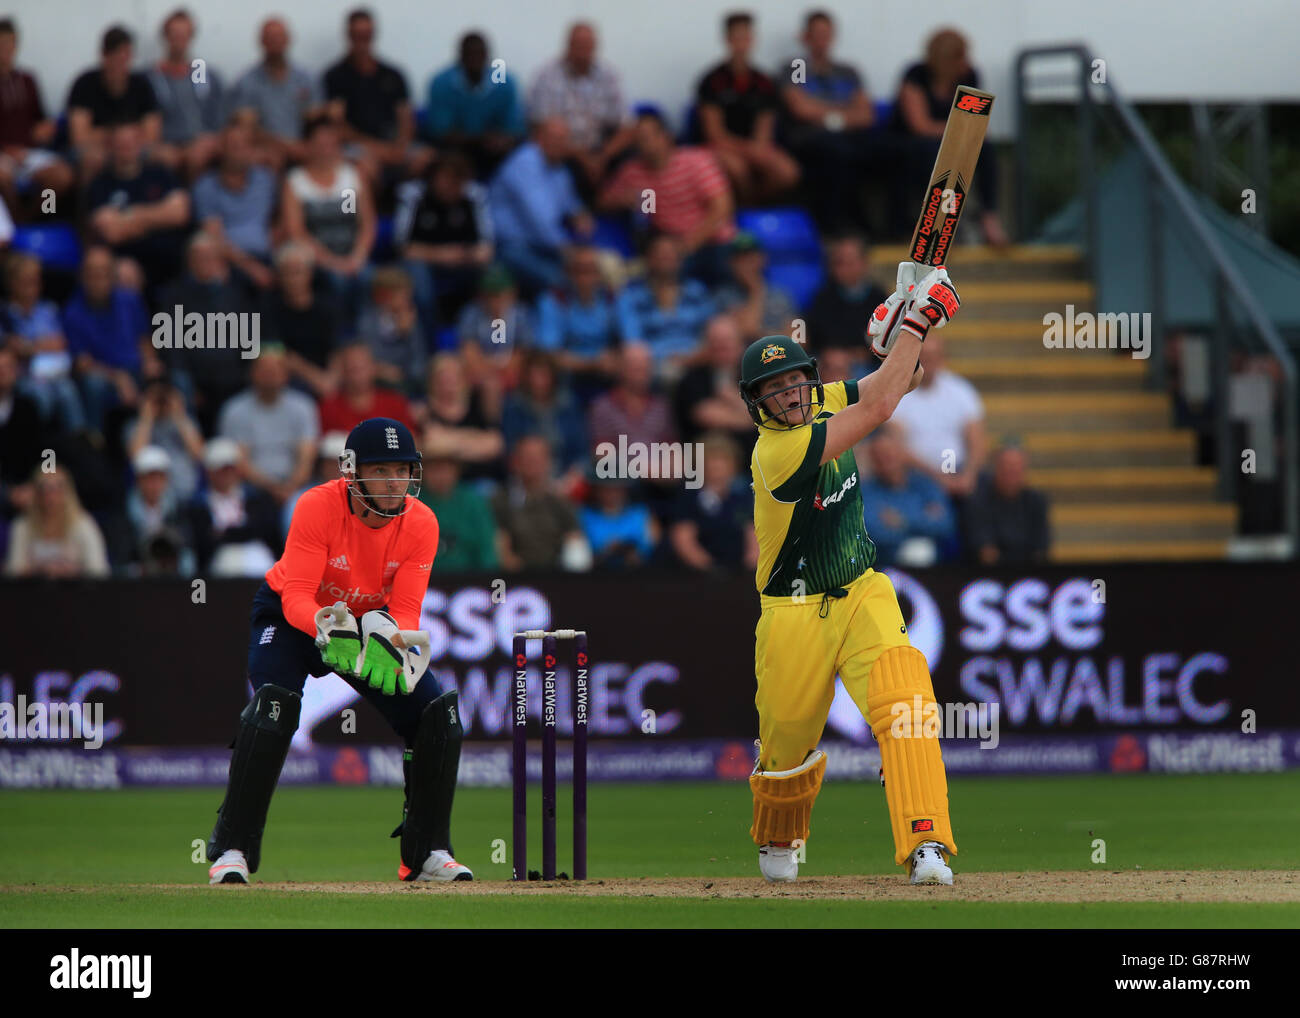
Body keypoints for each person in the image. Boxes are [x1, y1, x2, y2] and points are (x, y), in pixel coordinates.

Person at [735, 258, 961, 885]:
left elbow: (902, 381)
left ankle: (926, 845)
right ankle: (780, 837)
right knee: (786, 745)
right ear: (758, 406)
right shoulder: (778, 453)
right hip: (792, 612)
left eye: (795, 383)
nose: (790, 397)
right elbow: (884, 404)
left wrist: (899, 331)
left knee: (908, 700)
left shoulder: (822, 399)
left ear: (809, 381)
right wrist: (918, 316)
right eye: (775, 392)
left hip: (862, 591)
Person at [204, 417, 473, 884]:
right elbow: (297, 597)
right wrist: (330, 628)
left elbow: (407, 611)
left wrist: (388, 640)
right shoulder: (318, 505)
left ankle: (427, 851)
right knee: (273, 706)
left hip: (368, 625)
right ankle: (233, 848)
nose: (395, 483)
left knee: (437, 715)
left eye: (402, 470)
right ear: (353, 472)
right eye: (381, 471)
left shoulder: (421, 522)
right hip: (295, 620)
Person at [893, 28, 1007, 246]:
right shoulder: (916, 75)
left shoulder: (969, 76)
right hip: (912, 142)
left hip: (948, 138)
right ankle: (937, 222)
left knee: (985, 147)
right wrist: (957, 130)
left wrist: (961, 132)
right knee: (930, 151)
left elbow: (975, 121)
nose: (965, 62)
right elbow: (919, 125)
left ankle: (988, 215)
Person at [598, 109, 735, 287]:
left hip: (712, 242)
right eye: (637, 140)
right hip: (667, 246)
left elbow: (722, 208)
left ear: (665, 137)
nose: (642, 144)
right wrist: (621, 200)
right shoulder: (633, 172)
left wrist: (687, 245)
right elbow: (602, 202)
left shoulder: (696, 161)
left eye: (646, 137)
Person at [778, 10, 882, 233]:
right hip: (809, 139)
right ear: (805, 37)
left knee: (886, 151)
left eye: (826, 34)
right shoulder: (798, 67)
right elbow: (801, 109)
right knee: (838, 154)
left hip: (848, 138)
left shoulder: (847, 72)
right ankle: (838, 225)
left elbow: (866, 114)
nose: (821, 40)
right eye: (816, 34)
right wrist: (843, 113)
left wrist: (827, 115)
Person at [280, 114, 376, 327]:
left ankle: (364, 340)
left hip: (352, 256)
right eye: (320, 144)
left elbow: (365, 224)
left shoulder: (350, 178)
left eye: (331, 144)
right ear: (308, 146)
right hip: (318, 258)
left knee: (368, 278)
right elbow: (297, 233)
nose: (326, 150)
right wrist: (333, 262)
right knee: (337, 282)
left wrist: (357, 257)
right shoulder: (296, 182)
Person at [694, 12, 799, 203]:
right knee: (737, 169)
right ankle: (742, 209)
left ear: (753, 39)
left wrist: (758, 151)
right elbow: (714, 134)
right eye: (736, 37)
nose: (742, 43)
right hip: (722, 148)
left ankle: (759, 207)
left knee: (787, 171)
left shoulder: (765, 82)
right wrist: (749, 151)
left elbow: (764, 128)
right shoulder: (711, 81)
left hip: (754, 146)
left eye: (746, 37)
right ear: (727, 39)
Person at [526, 22, 634, 199]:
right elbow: (539, 130)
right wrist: (583, 158)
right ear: (568, 46)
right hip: (563, 151)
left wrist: (602, 156)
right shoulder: (546, 76)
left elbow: (627, 126)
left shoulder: (608, 75)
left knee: (634, 153)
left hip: (600, 149)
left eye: (588, 46)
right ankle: (584, 208)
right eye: (578, 45)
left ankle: (626, 207)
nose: (583, 51)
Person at [488, 117, 594, 299]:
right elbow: (540, 221)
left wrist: (580, 214)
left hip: (543, 247)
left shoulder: (559, 167)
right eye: (553, 138)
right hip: (508, 247)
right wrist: (571, 253)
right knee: (567, 283)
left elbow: (570, 203)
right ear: (537, 138)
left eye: (563, 139)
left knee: (591, 275)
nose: (559, 144)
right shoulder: (524, 163)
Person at [323, 8, 429, 188]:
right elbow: (338, 126)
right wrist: (379, 149)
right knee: (362, 167)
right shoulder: (335, 77)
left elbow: (406, 118)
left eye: (366, 34)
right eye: (358, 35)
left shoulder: (394, 74)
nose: (362, 40)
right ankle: (368, 215)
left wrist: (400, 146)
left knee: (428, 158)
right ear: (349, 35)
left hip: (395, 143)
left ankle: (410, 212)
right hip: (358, 147)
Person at [396, 151, 493, 340]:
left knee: (494, 279)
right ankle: (428, 344)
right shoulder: (413, 194)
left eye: (457, 181)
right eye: (446, 179)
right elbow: (403, 248)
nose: (450, 186)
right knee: (420, 285)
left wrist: (469, 255)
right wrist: (441, 255)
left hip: (462, 262)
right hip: (423, 262)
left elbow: (486, 248)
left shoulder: (474, 196)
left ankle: (483, 342)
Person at [217, 345, 319, 505]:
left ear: (286, 374)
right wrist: (273, 488)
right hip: (250, 488)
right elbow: (239, 462)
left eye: (276, 369)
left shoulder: (303, 406)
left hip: (296, 487)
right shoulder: (234, 410)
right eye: (264, 369)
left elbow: (306, 458)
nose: (270, 375)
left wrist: (290, 487)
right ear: (252, 373)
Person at [889, 333, 987, 499]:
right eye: (924, 357)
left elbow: (977, 439)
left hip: (959, 472)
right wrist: (939, 478)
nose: (928, 362)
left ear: (942, 358)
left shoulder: (961, 390)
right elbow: (897, 446)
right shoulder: (899, 393)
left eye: (933, 357)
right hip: (916, 476)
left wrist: (969, 475)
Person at [66, 25, 161, 182]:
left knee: (164, 157)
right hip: (99, 150)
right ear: (104, 56)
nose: (121, 63)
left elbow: (152, 134)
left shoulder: (141, 84)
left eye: (125, 56)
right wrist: (121, 137)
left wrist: (121, 141)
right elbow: (79, 137)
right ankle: (90, 205)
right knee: (92, 160)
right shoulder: (85, 83)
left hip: (135, 148)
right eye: (115, 57)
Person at [228, 17, 325, 170]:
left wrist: (307, 146)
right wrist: (285, 146)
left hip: (304, 147)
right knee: (270, 159)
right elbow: (246, 128)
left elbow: (317, 122)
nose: (275, 42)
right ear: (261, 41)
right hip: (267, 149)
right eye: (270, 38)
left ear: (288, 39)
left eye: (279, 37)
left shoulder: (307, 79)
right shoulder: (247, 82)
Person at [0, 18, 76, 214]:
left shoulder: (27, 80)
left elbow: (39, 119)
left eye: (10, 43)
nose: (6, 49)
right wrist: (8, 150)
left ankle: (39, 215)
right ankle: (15, 222)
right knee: (3, 176)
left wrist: (46, 128)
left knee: (60, 176)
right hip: (3, 156)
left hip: (29, 153)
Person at [424, 32, 525, 178]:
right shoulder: (442, 82)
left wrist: (503, 140)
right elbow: (440, 132)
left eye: (479, 54)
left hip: (497, 154)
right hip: (454, 152)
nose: (475, 59)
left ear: (487, 55)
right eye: (470, 54)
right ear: (460, 56)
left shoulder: (504, 81)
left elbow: (514, 129)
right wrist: (481, 139)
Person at [860, 421, 956, 566]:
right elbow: (872, 532)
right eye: (879, 457)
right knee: (915, 552)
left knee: (922, 550)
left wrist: (902, 521)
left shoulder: (925, 484)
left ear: (902, 454)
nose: (886, 461)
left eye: (889, 455)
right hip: (886, 562)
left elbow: (945, 523)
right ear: (872, 460)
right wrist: (924, 517)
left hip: (934, 563)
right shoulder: (866, 490)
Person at [147, 8, 225, 179]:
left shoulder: (202, 72)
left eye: (184, 34)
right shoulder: (152, 76)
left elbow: (219, 117)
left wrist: (209, 140)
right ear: (165, 37)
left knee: (197, 156)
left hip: (200, 143)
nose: (179, 40)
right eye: (174, 34)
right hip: (165, 145)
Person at [491, 434, 587, 571]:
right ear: (515, 462)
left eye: (538, 457)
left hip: (556, 577)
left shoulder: (561, 502)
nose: (532, 462)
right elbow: (500, 546)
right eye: (526, 457)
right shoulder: (501, 500)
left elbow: (574, 540)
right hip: (515, 579)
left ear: (549, 462)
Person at [802, 233, 888, 383]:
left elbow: (887, 343)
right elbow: (809, 336)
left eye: (850, 263)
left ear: (864, 263)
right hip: (830, 365)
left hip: (870, 367)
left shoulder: (880, 298)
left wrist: (857, 355)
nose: (844, 269)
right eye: (839, 263)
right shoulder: (821, 298)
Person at [668, 431, 756, 571]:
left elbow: (753, 532)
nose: (717, 466)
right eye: (712, 460)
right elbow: (683, 537)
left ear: (734, 464)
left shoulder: (745, 494)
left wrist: (750, 566)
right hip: (700, 574)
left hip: (741, 571)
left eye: (724, 459)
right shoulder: (689, 495)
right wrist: (712, 568)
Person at [3, 465, 110, 577]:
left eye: (57, 488)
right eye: (44, 489)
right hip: (33, 591)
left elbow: (98, 570)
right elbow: (13, 571)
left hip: (75, 591)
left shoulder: (83, 524)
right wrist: (40, 571)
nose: (51, 496)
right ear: (35, 493)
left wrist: (73, 571)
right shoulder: (23, 526)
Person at [965, 441, 1050, 564]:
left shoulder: (1036, 501)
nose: (1011, 472)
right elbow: (984, 551)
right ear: (996, 468)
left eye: (1016, 467)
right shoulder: (978, 501)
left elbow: (1041, 549)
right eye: (1007, 466)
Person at [417, 451, 499, 572]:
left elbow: (487, 551)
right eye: (434, 469)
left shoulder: (473, 502)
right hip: (422, 581)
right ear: (423, 471)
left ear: (456, 470)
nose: (440, 476)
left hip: (469, 582)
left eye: (445, 469)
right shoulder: (412, 502)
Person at [714, 231, 797, 342]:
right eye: (740, 259)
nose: (747, 264)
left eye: (751, 257)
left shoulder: (781, 294)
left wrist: (763, 335)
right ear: (731, 264)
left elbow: (799, 339)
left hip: (780, 357)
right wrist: (756, 291)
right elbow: (747, 330)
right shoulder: (724, 296)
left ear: (763, 259)